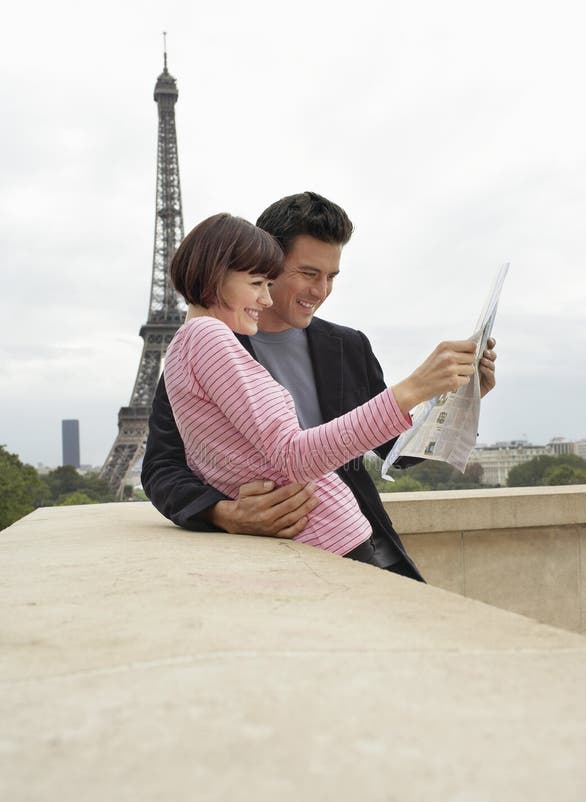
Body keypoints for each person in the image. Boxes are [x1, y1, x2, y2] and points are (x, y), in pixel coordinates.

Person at [142, 192, 497, 580]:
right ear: (266, 261)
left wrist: (459, 401)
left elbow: (397, 451)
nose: (321, 290)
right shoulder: (209, 345)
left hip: (368, 541)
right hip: (288, 557)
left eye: (331, 277)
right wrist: (225, 514)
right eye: (309, 274)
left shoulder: (348, 346)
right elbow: (162, 466)